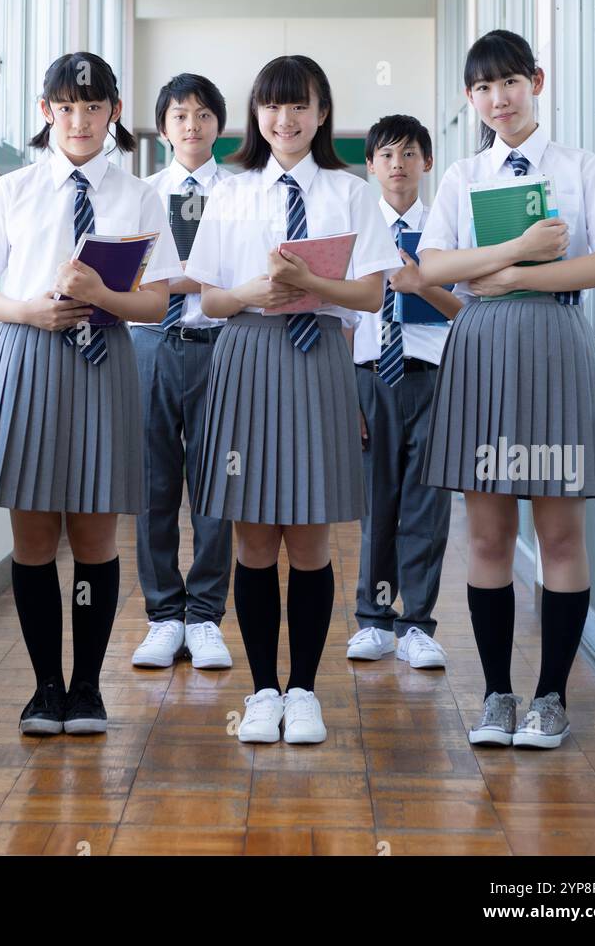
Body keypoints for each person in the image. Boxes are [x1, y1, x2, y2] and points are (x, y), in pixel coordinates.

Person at [417, 29, 595, 748]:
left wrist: (512, 277)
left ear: (536, 82)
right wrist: (517, 248)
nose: (498, 98)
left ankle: (550, 696)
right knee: (487, 535)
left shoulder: (580, 167)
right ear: (469, 98)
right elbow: (432, 268)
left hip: (555, 345)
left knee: (560, 532)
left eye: (509, 82)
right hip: (482, 351)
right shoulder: (462, 176)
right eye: (483, 88)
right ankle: (495, 697)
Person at [0, 52, 182, 737]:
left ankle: (86, 688)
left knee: (93, 534)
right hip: (27, 359)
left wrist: (100, 295)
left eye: (92, 107)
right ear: (44, 112)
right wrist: (30, 312)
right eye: (65, 107)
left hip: (103, 360)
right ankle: (43, 687)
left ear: (115, 113)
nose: (78, 120)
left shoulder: (140, 195)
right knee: (32, 537)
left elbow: (155, 303)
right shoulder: (12, 190)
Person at [185, 55, 401, 744]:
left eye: (300, 105)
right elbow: (207, 299)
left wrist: (312, 283)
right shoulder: (230, 190)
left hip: (321, 362)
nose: (286, 119)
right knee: (252, 536)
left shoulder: (350, 190)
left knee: (311, 537)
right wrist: (256, 290)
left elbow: (370, 294)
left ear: (322, 112)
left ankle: (304, 689)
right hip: (248, 355)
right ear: (257, 114)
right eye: (274, 106)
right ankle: (260, 693)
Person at [347, 115, 462, 669]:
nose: (399, 165)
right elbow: (342, 315)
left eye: (410, 154)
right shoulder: (356, 230)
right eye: (387, 155)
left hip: (432, 378)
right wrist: (347, 395)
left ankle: (416, 623)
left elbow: (465, 311)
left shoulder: (445, 231)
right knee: (376, 505)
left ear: (427, 163)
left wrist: (425, 282)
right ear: (370, 165)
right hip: (370, 378)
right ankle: (373, 618)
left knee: (426, 507)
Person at [130, 73, 235, 671]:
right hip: (148, 343)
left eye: (201, 115)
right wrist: (200, 274)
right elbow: (122, 277)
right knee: (153, 487)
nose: (190, 126)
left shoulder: (243, 192)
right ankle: (163, 615)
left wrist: (172, 276)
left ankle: (206, 616)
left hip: (218, 343)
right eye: (178, 116)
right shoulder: (140, 193)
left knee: (216, 484)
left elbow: (249, 272)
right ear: (163, 126)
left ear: (218, 124)